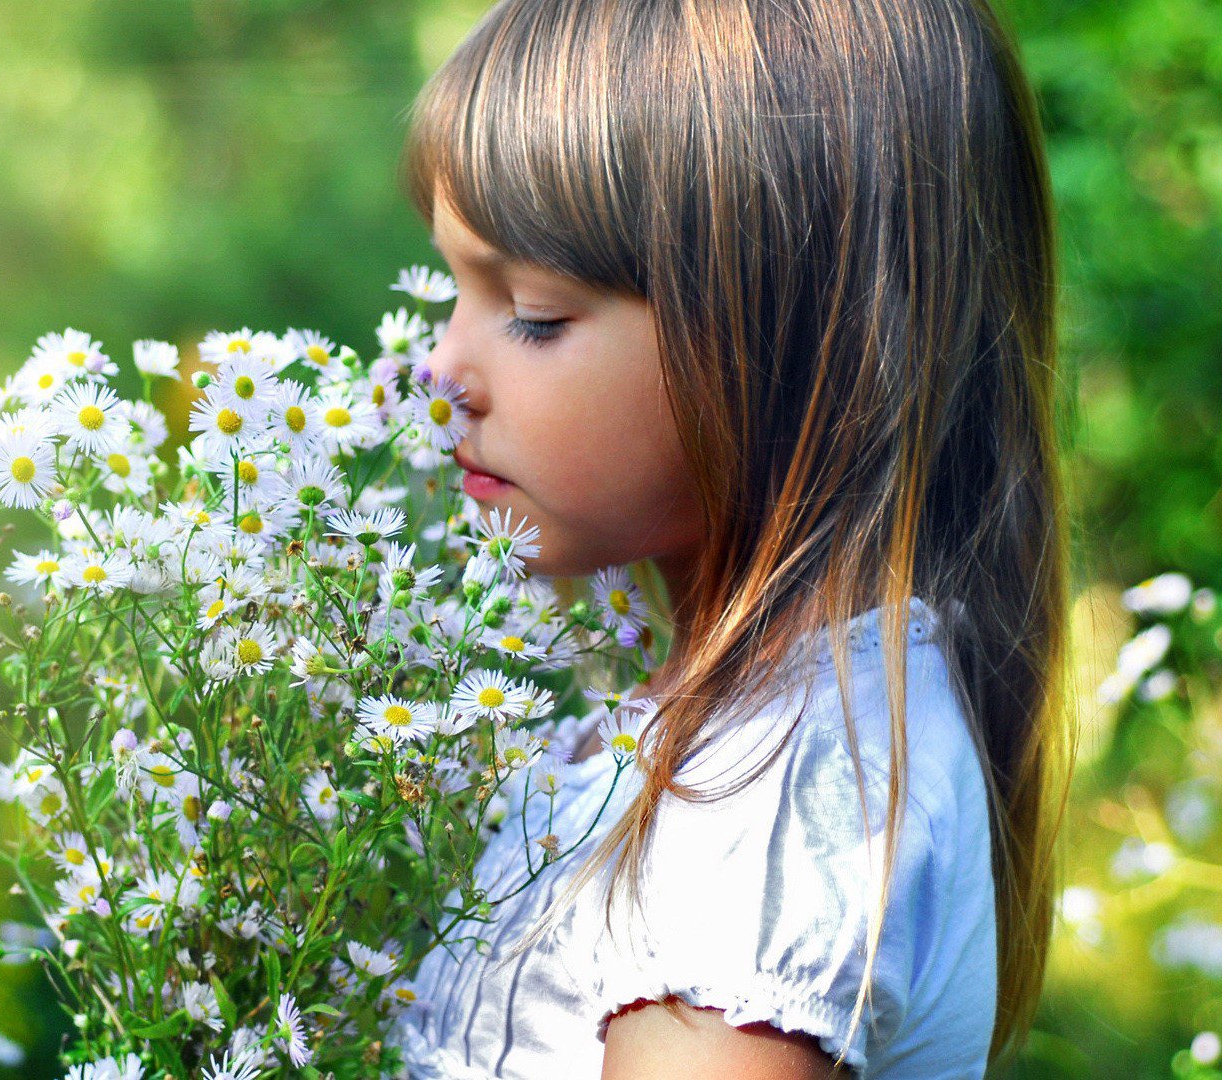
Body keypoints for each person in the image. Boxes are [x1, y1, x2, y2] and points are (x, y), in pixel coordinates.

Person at [391, 0, 1076, 1077]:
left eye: (532, 311)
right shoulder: (742, 734)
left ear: (789, 340)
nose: (439, 372)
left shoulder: (772, 803)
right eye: (451, 289)